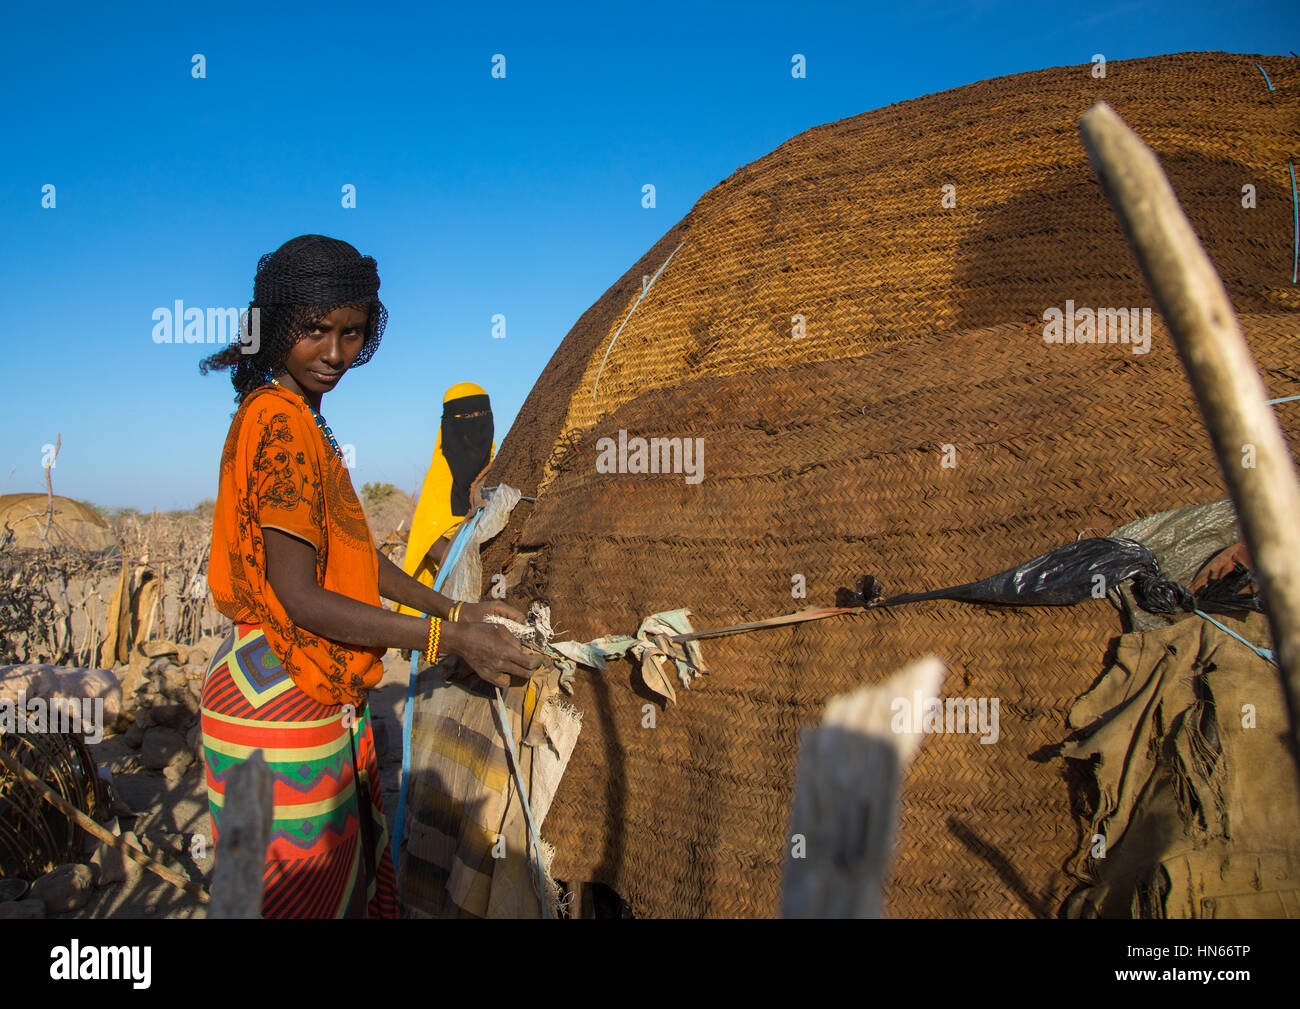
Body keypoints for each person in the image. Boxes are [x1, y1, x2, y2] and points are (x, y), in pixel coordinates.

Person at [198, 234, 539, 918]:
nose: (334, 353)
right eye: (315, 330)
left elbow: (353, 559)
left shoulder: (298, 416)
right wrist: (445, 642)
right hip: (281, 702)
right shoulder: (281, 424)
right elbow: (300, 595)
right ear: (275, 326)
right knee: (299, 898)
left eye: (350, 334)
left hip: (287, 686)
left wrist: (451, 610)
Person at [395, 381, 495, 616]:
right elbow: (429, 541)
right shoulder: (441, 477)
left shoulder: (497, 464)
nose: (476, 421)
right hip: (449, 600)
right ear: (449, 424)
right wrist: (471, 567)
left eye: (482, 414)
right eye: (466, 415)